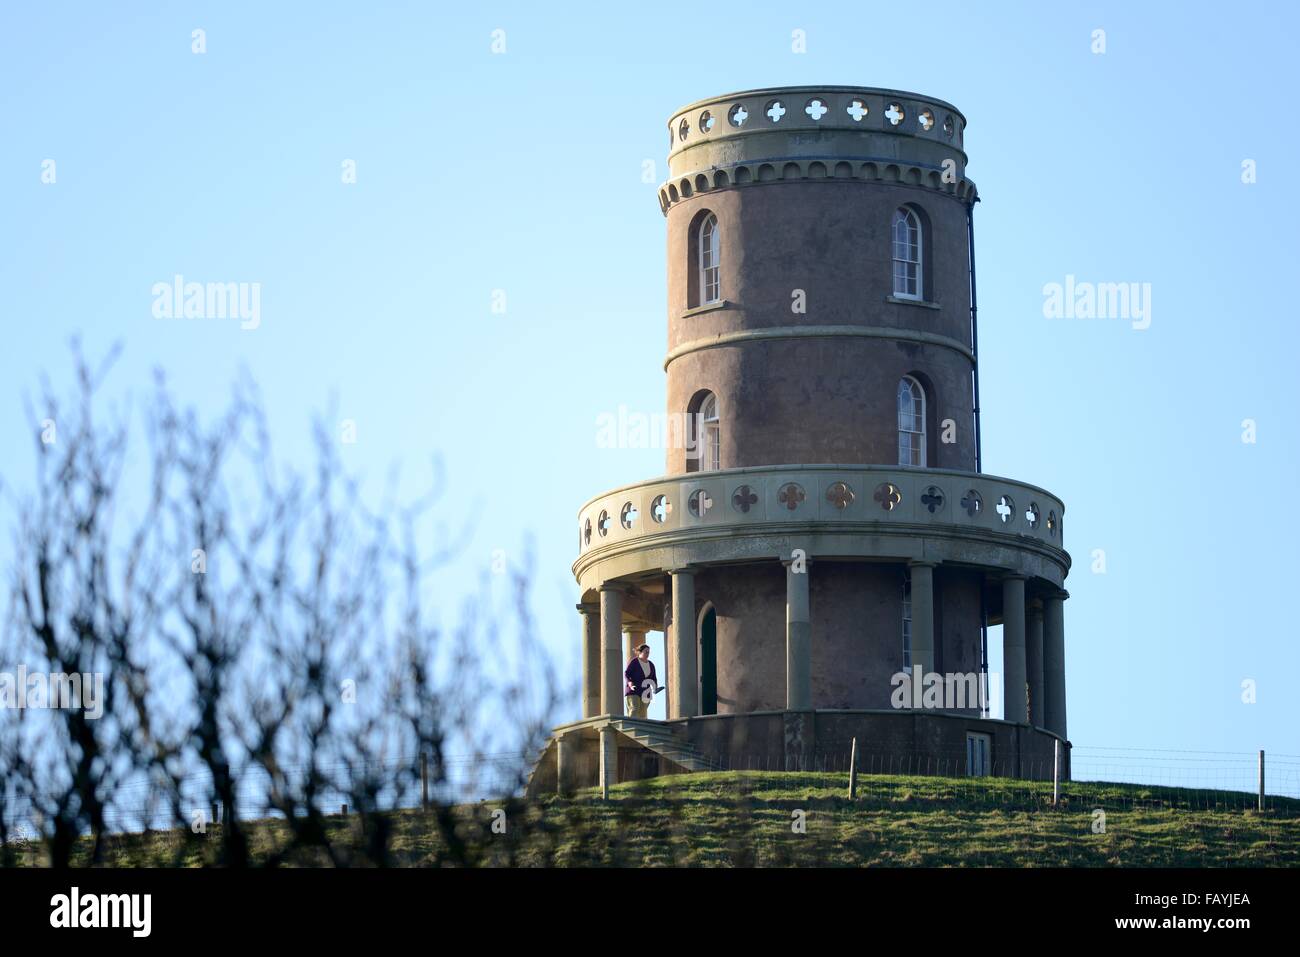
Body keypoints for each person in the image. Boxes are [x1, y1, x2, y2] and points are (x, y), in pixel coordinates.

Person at [624, 644, 658, 719]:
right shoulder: (635, 662)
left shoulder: (651, 664)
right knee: (634, 709)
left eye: (648, 652)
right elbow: (627, 673)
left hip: (645, 693)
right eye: (646, 652)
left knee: (643, 714)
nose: (647, 654)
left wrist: (655, 687)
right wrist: (630, 682)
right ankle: (631, 726)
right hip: (634, 690)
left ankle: (640, 729)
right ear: (640, 652)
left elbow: (653, 678)